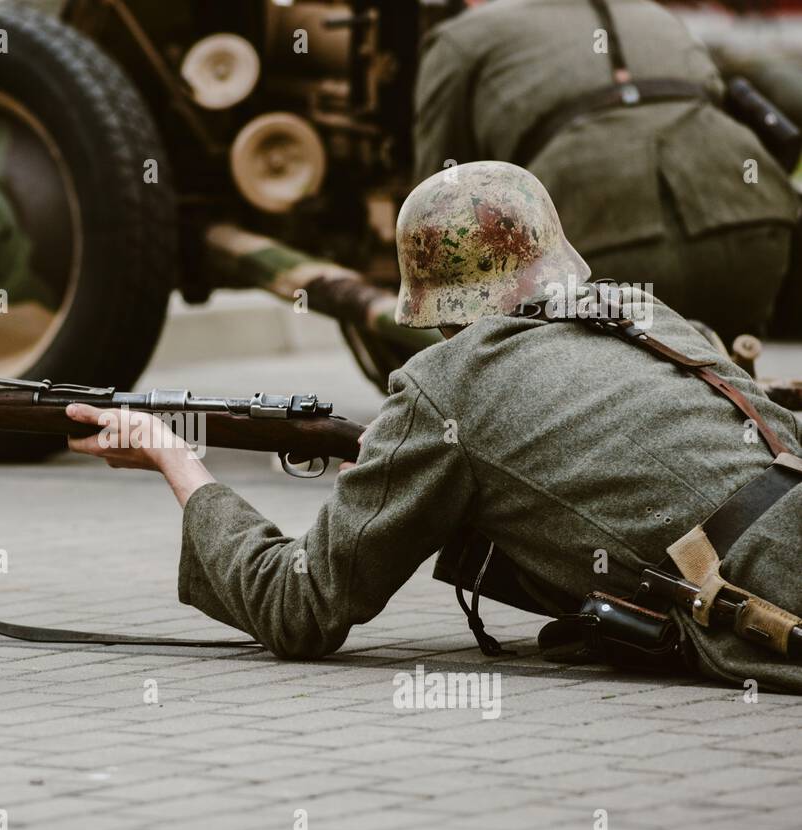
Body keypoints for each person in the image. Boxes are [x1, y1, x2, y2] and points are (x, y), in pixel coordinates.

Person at [65, 161, 802, 693]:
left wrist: (175, 458)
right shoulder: (643, 313)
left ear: (438, 302)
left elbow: (297, 607)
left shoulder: (448, 382)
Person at [411, 0, 799, 339]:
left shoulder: (463, 39)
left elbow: (440, 196)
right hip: (753, 227)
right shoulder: (657, 16)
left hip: (594, 247)